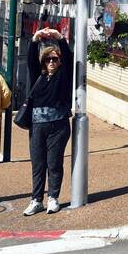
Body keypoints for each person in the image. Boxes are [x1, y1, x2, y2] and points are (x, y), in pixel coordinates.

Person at [25, 28, 73, 215]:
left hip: (58, 124)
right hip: (38, 125)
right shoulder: (39, 75)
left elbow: (68, 58)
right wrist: (35, 39)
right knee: (38, 164)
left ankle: (53, 197)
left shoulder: (63, 75)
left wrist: (59, 37)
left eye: (55, 59)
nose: (52, 62)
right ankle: (36, 199)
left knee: (54, 163)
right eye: (48, 59)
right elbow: (30, 60)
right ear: (43, 61)